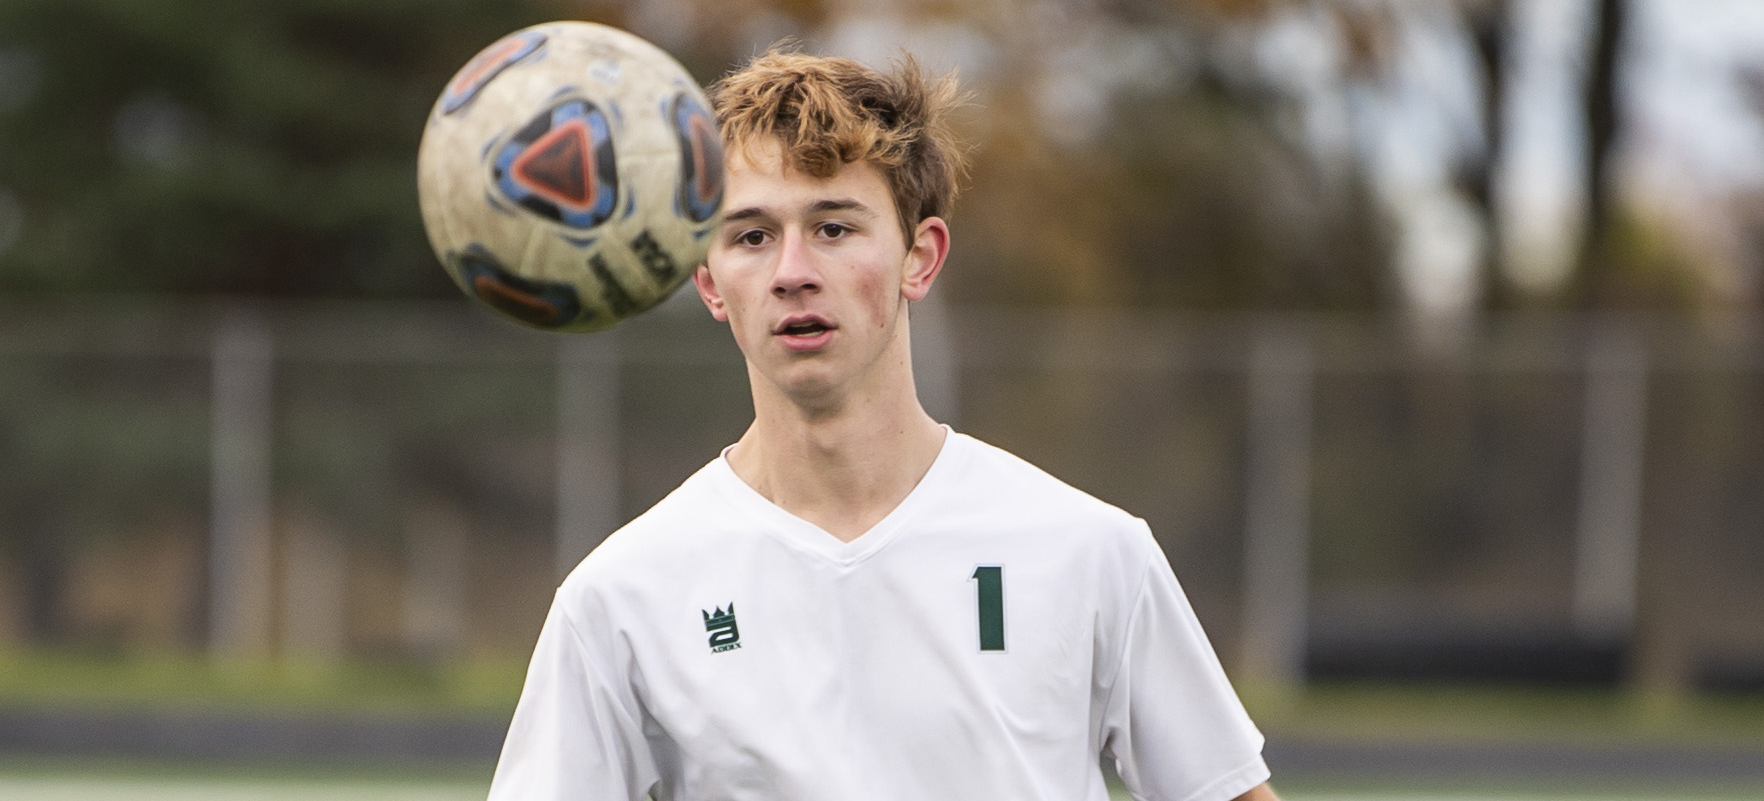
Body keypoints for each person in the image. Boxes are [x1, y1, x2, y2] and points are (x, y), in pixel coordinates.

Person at [489, 49, 1282, 801]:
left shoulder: (1089, 551)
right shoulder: (621, 596)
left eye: (834, 228)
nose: (793, 271)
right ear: (709, 281)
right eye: (752, 236)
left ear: (920, 257)